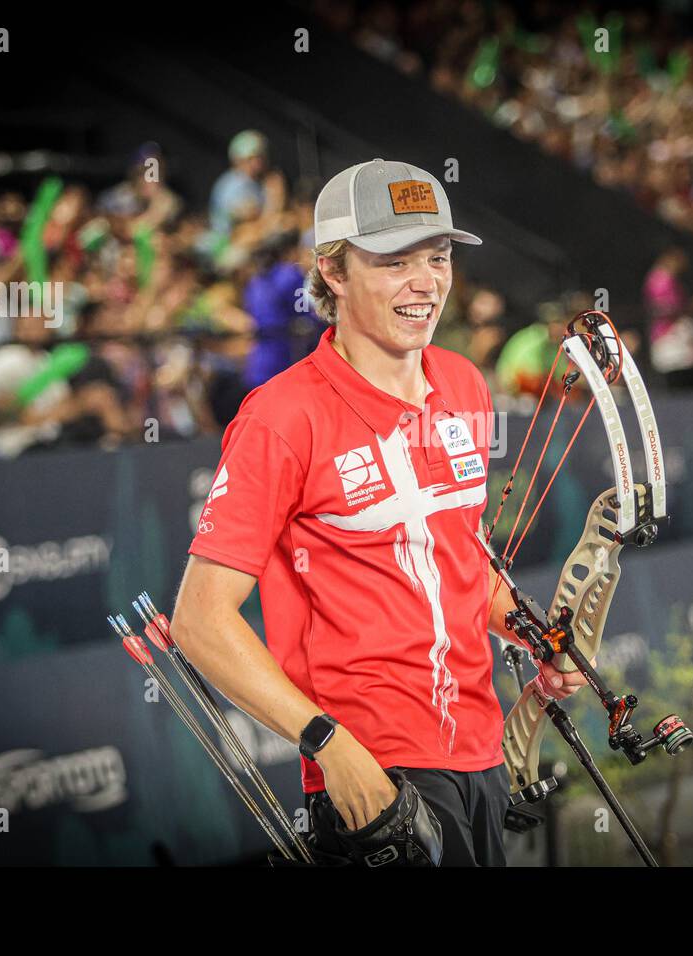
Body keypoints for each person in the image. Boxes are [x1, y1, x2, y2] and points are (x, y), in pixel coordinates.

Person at [170, 158, 587, 866]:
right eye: (395, 261)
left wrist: (531, 632)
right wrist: (329, 747)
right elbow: (199, 621)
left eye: (438, 255)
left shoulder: (462, 382)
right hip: (375, 773)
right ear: (332, 272)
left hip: (481, 754)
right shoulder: (282, 416)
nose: (427, 282)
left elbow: (455, 557)